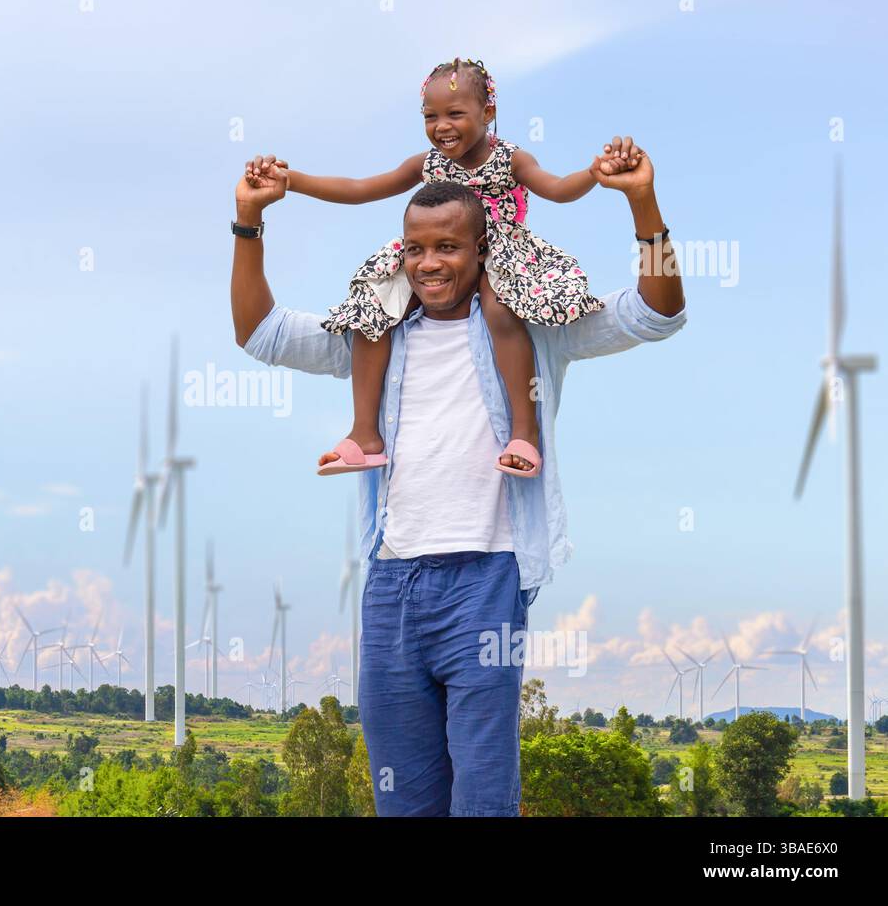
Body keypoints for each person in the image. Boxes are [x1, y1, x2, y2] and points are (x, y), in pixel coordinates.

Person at [228, 142, 685, 816]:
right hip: (392, 586)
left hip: (487, 579)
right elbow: (260, 332)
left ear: (482, 252)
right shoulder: (372, 333)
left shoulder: (531, 326)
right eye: (416, 250)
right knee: (404, 796)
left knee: (482, 795)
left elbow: (657, 312)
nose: (430, 264)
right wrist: (248, 224)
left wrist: (643, 203)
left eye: (448, 249)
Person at [246, 58, 634, 478]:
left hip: (496, 254)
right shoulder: (425, 164)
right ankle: (364, 434)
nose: (442, 126)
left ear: (488, 113)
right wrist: (293, 180)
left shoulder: (511, 159)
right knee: (373, 310)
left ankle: (524, 432)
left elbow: (558, 190)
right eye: (431, 117)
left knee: (500, 311)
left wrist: (595, 174)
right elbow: (360, 190)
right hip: (437, 252)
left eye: (455, 114)